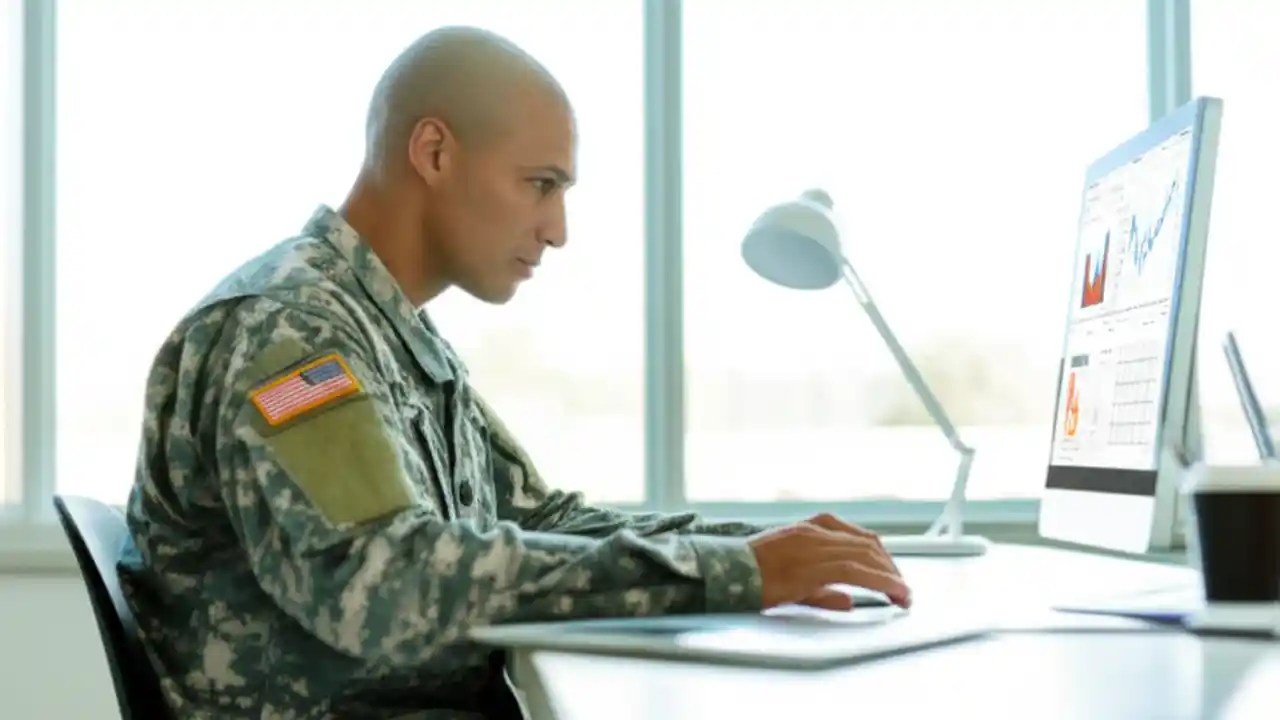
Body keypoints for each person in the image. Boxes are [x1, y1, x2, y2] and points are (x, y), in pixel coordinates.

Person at [117, 25, 911, 719]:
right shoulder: (289, 332)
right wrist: (734, 573)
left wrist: (768, 551)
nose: (557, 230)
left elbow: (542, 521)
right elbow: (384, 580)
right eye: (540, 184)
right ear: (433, 152)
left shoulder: (388, 336)